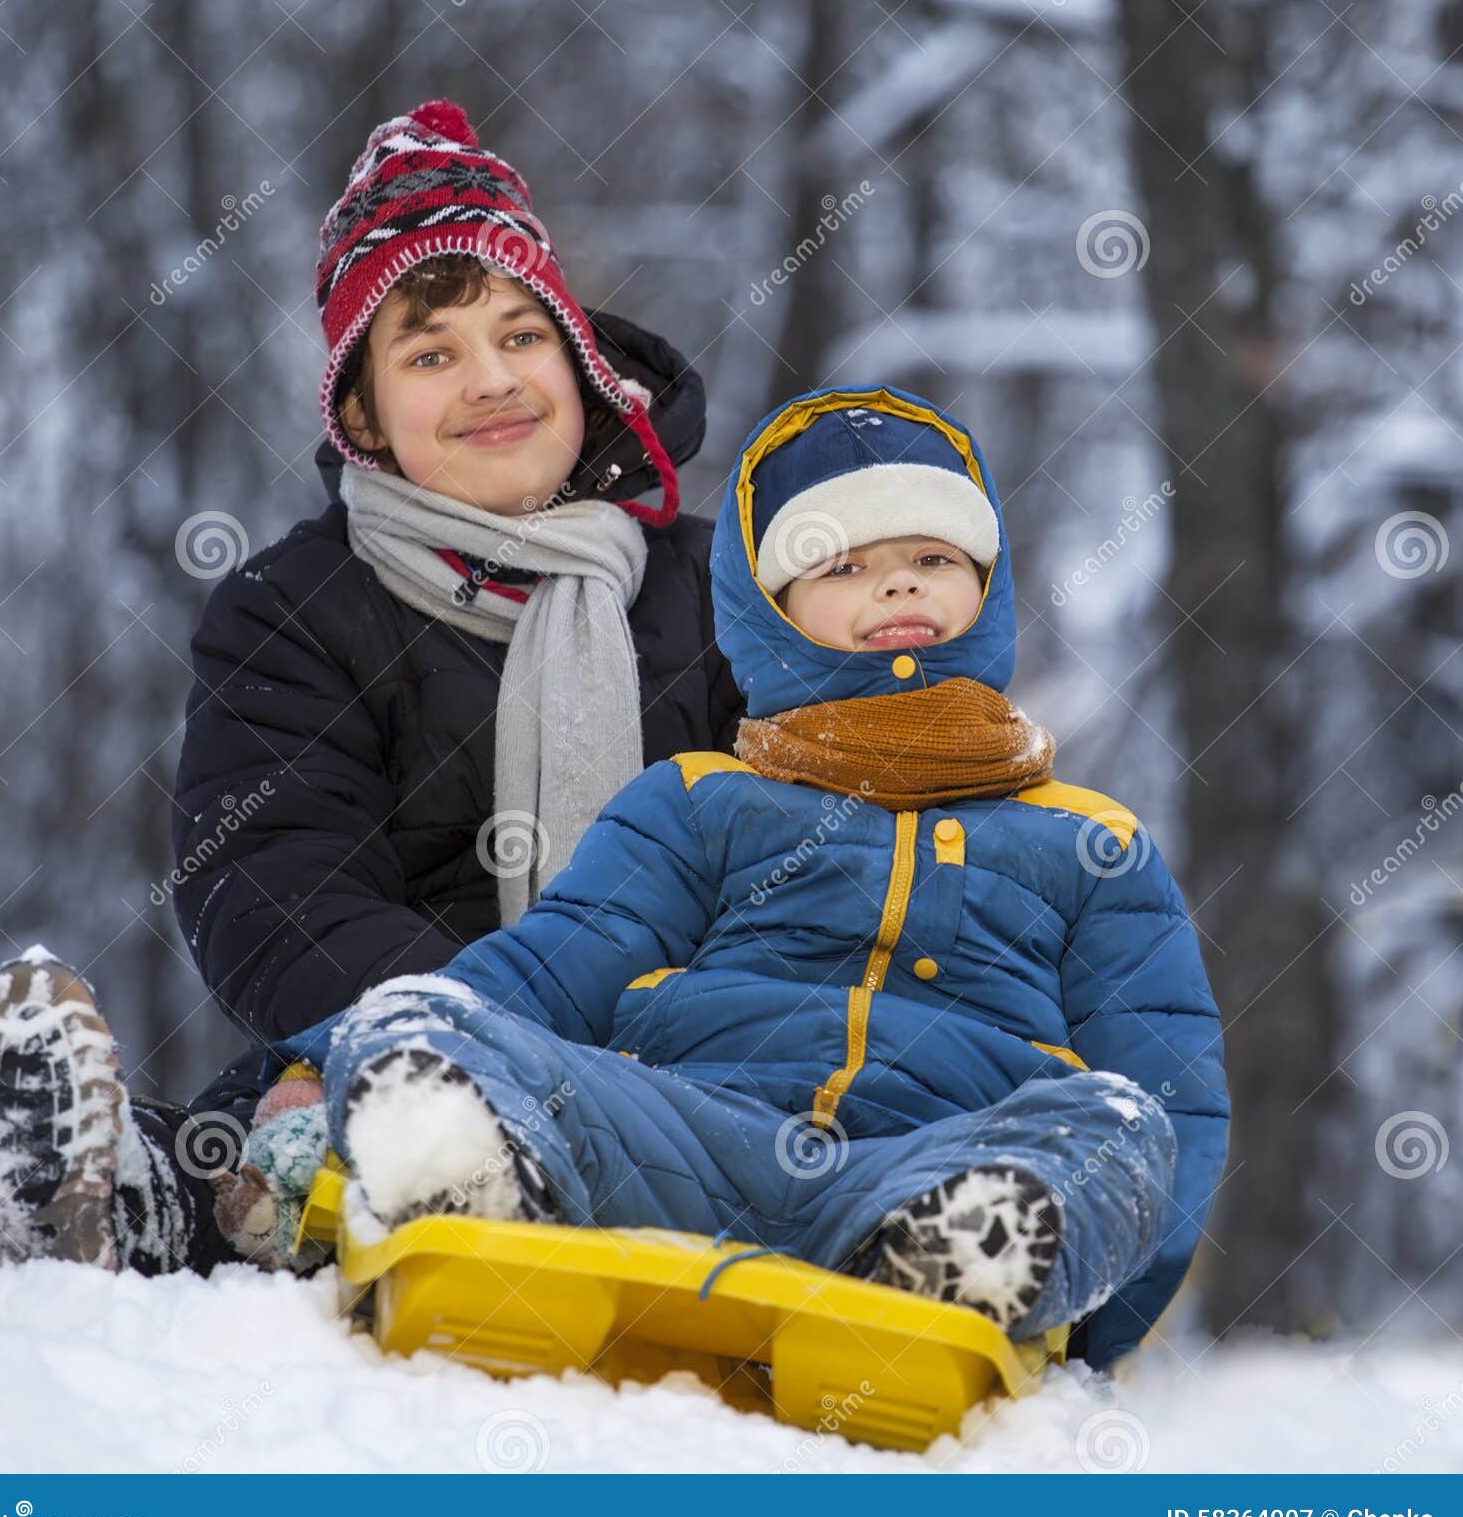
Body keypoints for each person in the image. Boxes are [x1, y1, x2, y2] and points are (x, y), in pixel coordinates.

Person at [258, 386, 1230, 1369]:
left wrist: (1088, 1337)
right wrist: (320, 1062)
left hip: (938, 1170)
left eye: (933, 559)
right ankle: (470, 1172)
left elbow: (1172, 1092)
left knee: (1114, 1123)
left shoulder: (1084, 839)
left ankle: (968, 1261)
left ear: (988, 585)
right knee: (428, 1022)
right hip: (687, 1148)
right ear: (768, 610)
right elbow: (550, 970)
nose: (897, 588)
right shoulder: (699, 800)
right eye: (844, 565)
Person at [0, 99, 742, 1277]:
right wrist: (484, 1035)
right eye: (430, 354)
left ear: (580, 361)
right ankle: (124, 1190)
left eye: (522, 336)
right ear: (361, 413)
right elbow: (273, 884)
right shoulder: (294, 613)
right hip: (397, 1045)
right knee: (294, 1128)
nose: (491, 379)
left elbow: (818, 838)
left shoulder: (730, 591)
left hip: (701, 1059)